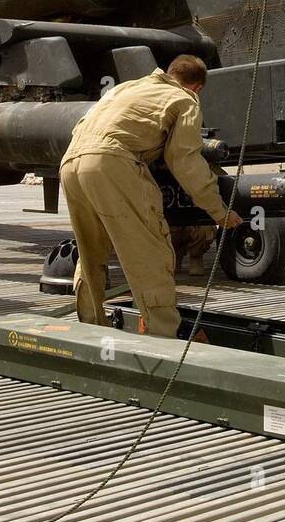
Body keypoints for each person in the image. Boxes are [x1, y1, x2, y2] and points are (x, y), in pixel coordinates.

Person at [59, 55, 242, 335]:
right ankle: (163, 336)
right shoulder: (184, 100)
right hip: (112, 163)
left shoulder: (126, 88)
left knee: (90, 251)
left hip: (71, 163)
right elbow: (184, 160)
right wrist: (219, 211)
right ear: (198, 88)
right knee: (149, 254)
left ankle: (91, 330)